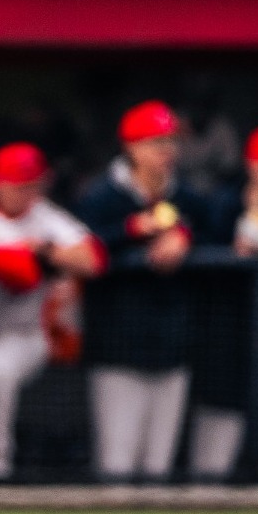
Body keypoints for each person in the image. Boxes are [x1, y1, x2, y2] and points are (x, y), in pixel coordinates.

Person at [75, 101, 205, 483]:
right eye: (157, 142)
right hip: (117, 347)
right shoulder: (102, 196)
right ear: (132, 148)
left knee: (158, 468)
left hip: (174, 344)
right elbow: (80, 241)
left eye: (171, 142)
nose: (168, 151)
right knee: (117, 465)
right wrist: (131, 229)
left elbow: (216, 221)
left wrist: (184, 235)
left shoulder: (185, 196)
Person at [0, 143, 103, 481]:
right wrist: (4, 254)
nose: (27, 192)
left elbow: (92, 260)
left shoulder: (46, 217)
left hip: (22, 335)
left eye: (33, 183)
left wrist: (43, 251)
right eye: (17, 183)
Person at [188, 123, 258, 480]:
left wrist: (255, 225)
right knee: (215, 442)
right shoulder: (223, 202)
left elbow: (254, 241)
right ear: (255, 167)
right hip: (228, 337)